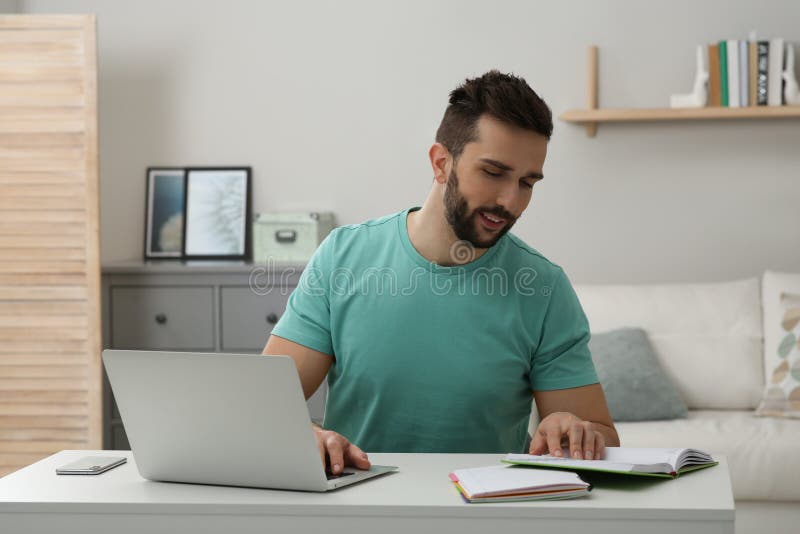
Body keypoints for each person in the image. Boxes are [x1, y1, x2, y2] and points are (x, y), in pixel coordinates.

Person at [263, 70, 619, 475]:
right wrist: (306, 432)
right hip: (360, 506)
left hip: (487, 511)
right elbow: (264, 408)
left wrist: (576, 429)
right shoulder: (342, 258)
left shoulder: (544, 288)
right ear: (441, 163)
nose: (510, 200)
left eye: (527, 182)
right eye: (493, 172)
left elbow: (603, 436)